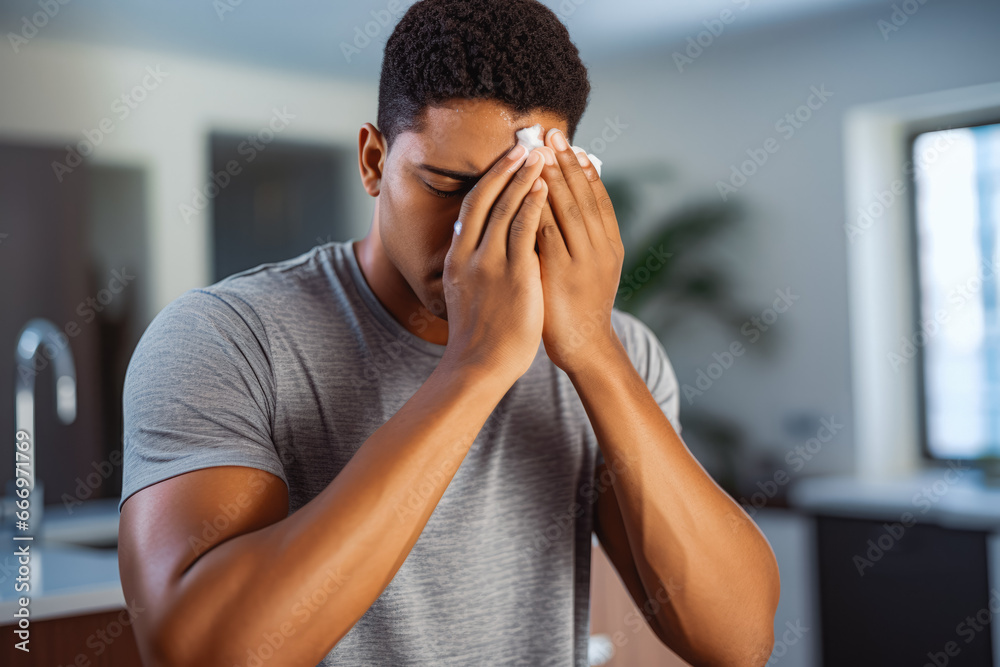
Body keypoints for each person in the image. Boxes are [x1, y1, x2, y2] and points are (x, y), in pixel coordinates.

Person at [117, 1, 781, 665]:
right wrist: (475, 368)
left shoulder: (616, 351)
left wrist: (596, 353)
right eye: (446, 185)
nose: (477, 231)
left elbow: (739, 640)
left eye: (518, 192)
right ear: (374, 160)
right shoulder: (224, 339)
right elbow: (199, 651)